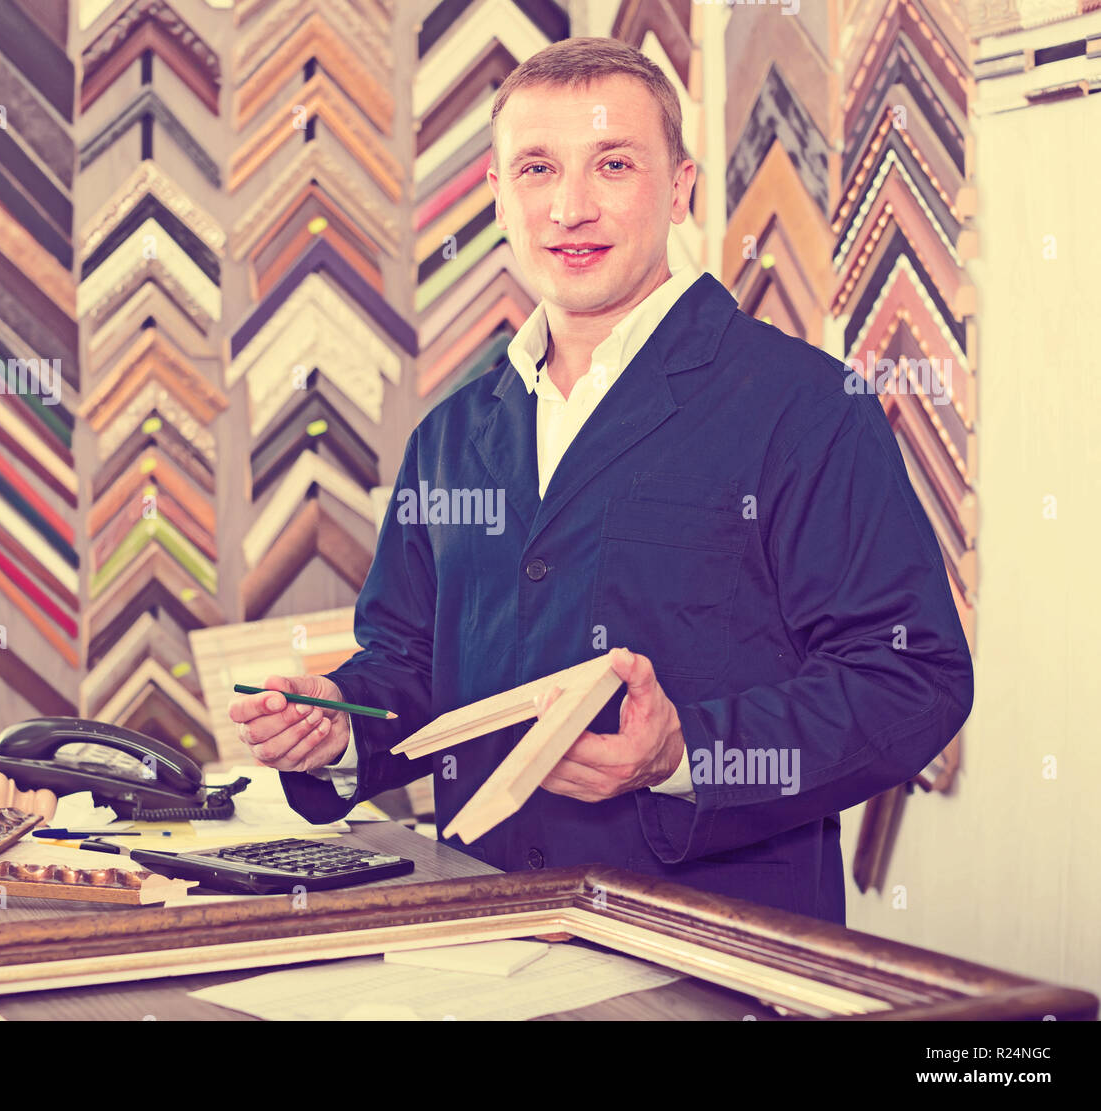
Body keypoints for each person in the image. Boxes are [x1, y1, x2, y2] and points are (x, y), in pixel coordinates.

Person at [227, 38, 973, 923]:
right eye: (537, 168)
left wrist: (687, 749)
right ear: (499, 195)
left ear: (681, 186)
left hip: (714, 948)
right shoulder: (453, 436)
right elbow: (411, 664)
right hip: (485, 938)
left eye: (612, 164)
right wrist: (338, 725)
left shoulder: (805, 407)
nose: (570, 207)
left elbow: (913, 679)